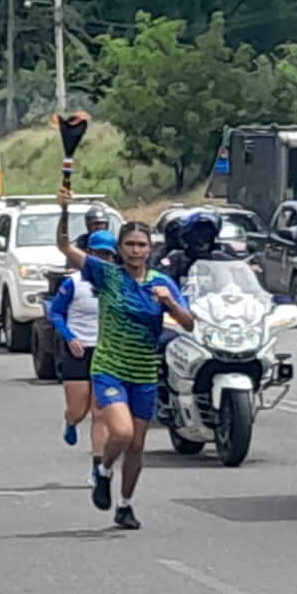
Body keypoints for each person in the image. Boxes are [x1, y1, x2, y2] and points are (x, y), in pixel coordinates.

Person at [56, 188, 194, 530]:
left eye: (141, 245)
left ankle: (125, 504)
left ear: (150, 249)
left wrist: (170, 304)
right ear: (120, 249)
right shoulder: (106, 275)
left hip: (143, 372)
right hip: (109, 369)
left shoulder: (162, 282)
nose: (135, 251)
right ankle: (103, 470)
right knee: (121, 431)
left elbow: (189, 323)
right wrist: (64, 210)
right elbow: (65, 247)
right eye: (129, 245)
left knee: (136, 446)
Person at [49, 231, 118, 466]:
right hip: (78, 350)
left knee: (100, 413)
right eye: (98, 254)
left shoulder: (117, 283)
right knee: (78, 411)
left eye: (107, 255)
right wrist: (70, 337)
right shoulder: (74, 283)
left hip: (104, 352)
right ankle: (70, 422)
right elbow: (55, 312)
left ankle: (98, 466)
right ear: (89, 254)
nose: (103, 259)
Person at [159, 208, 246, 286]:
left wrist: (251, 267)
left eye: (207, 234)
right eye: (196, 234)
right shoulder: (175, 259)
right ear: (185, 236)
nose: (202, 240)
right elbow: (160, 282)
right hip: (182, 303)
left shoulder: (220, 257)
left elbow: (240, 269)